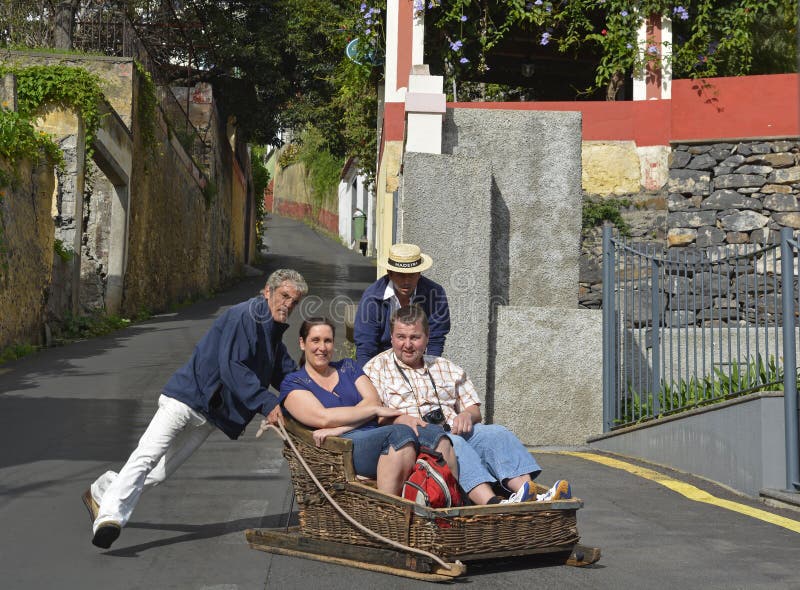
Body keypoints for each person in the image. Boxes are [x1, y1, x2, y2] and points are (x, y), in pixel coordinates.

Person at [82, 269, 308, 549]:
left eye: (294, 301)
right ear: (267, 292)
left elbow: (281, 371)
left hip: (209, 413)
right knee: (146, 456)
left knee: (161, 472)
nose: (288, 304)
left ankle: (103, 491)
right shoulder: (244, 316)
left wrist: (310, 392)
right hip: (186, 398)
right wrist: (268, 404)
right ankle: (109, 520)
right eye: (284, 296)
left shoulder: (271, 330)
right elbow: (233, 367)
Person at [363, 305, 572, 505]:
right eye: (401, 337)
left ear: (426, 338)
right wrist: (401, 419)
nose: (407, 344)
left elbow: (474, 410)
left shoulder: (446, 367)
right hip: (416, 437)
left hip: (452, 427)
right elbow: (376, 415)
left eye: (415, 337)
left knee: (496, 433)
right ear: (391, 338)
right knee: (454, 443)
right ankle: (490, 502)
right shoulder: (376, 368)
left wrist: (466, 416)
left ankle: (528, 492)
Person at [277, 317, 455, 495]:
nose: (322, 348)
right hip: (342, 447)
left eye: (328, 341)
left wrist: (344, 425)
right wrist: (372, 412)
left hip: (368, 433)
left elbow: (373, 401)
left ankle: (447, 506)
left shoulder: (348, 367)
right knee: (400, 434)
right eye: (315, 340)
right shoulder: (294, 383)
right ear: (302, 343)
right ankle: (391, 513)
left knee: (435, 434)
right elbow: (324, 417)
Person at [353, 243, 450, 367]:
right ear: (390, 273)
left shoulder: (435, 294)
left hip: (419, 361)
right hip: (381, 363)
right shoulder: (372, 298)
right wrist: (368, 378)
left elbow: (436, 340)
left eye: (411, 275)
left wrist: (430, 371)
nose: (406, 281)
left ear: (419, 273)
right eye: (400, 275)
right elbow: (366, 347)